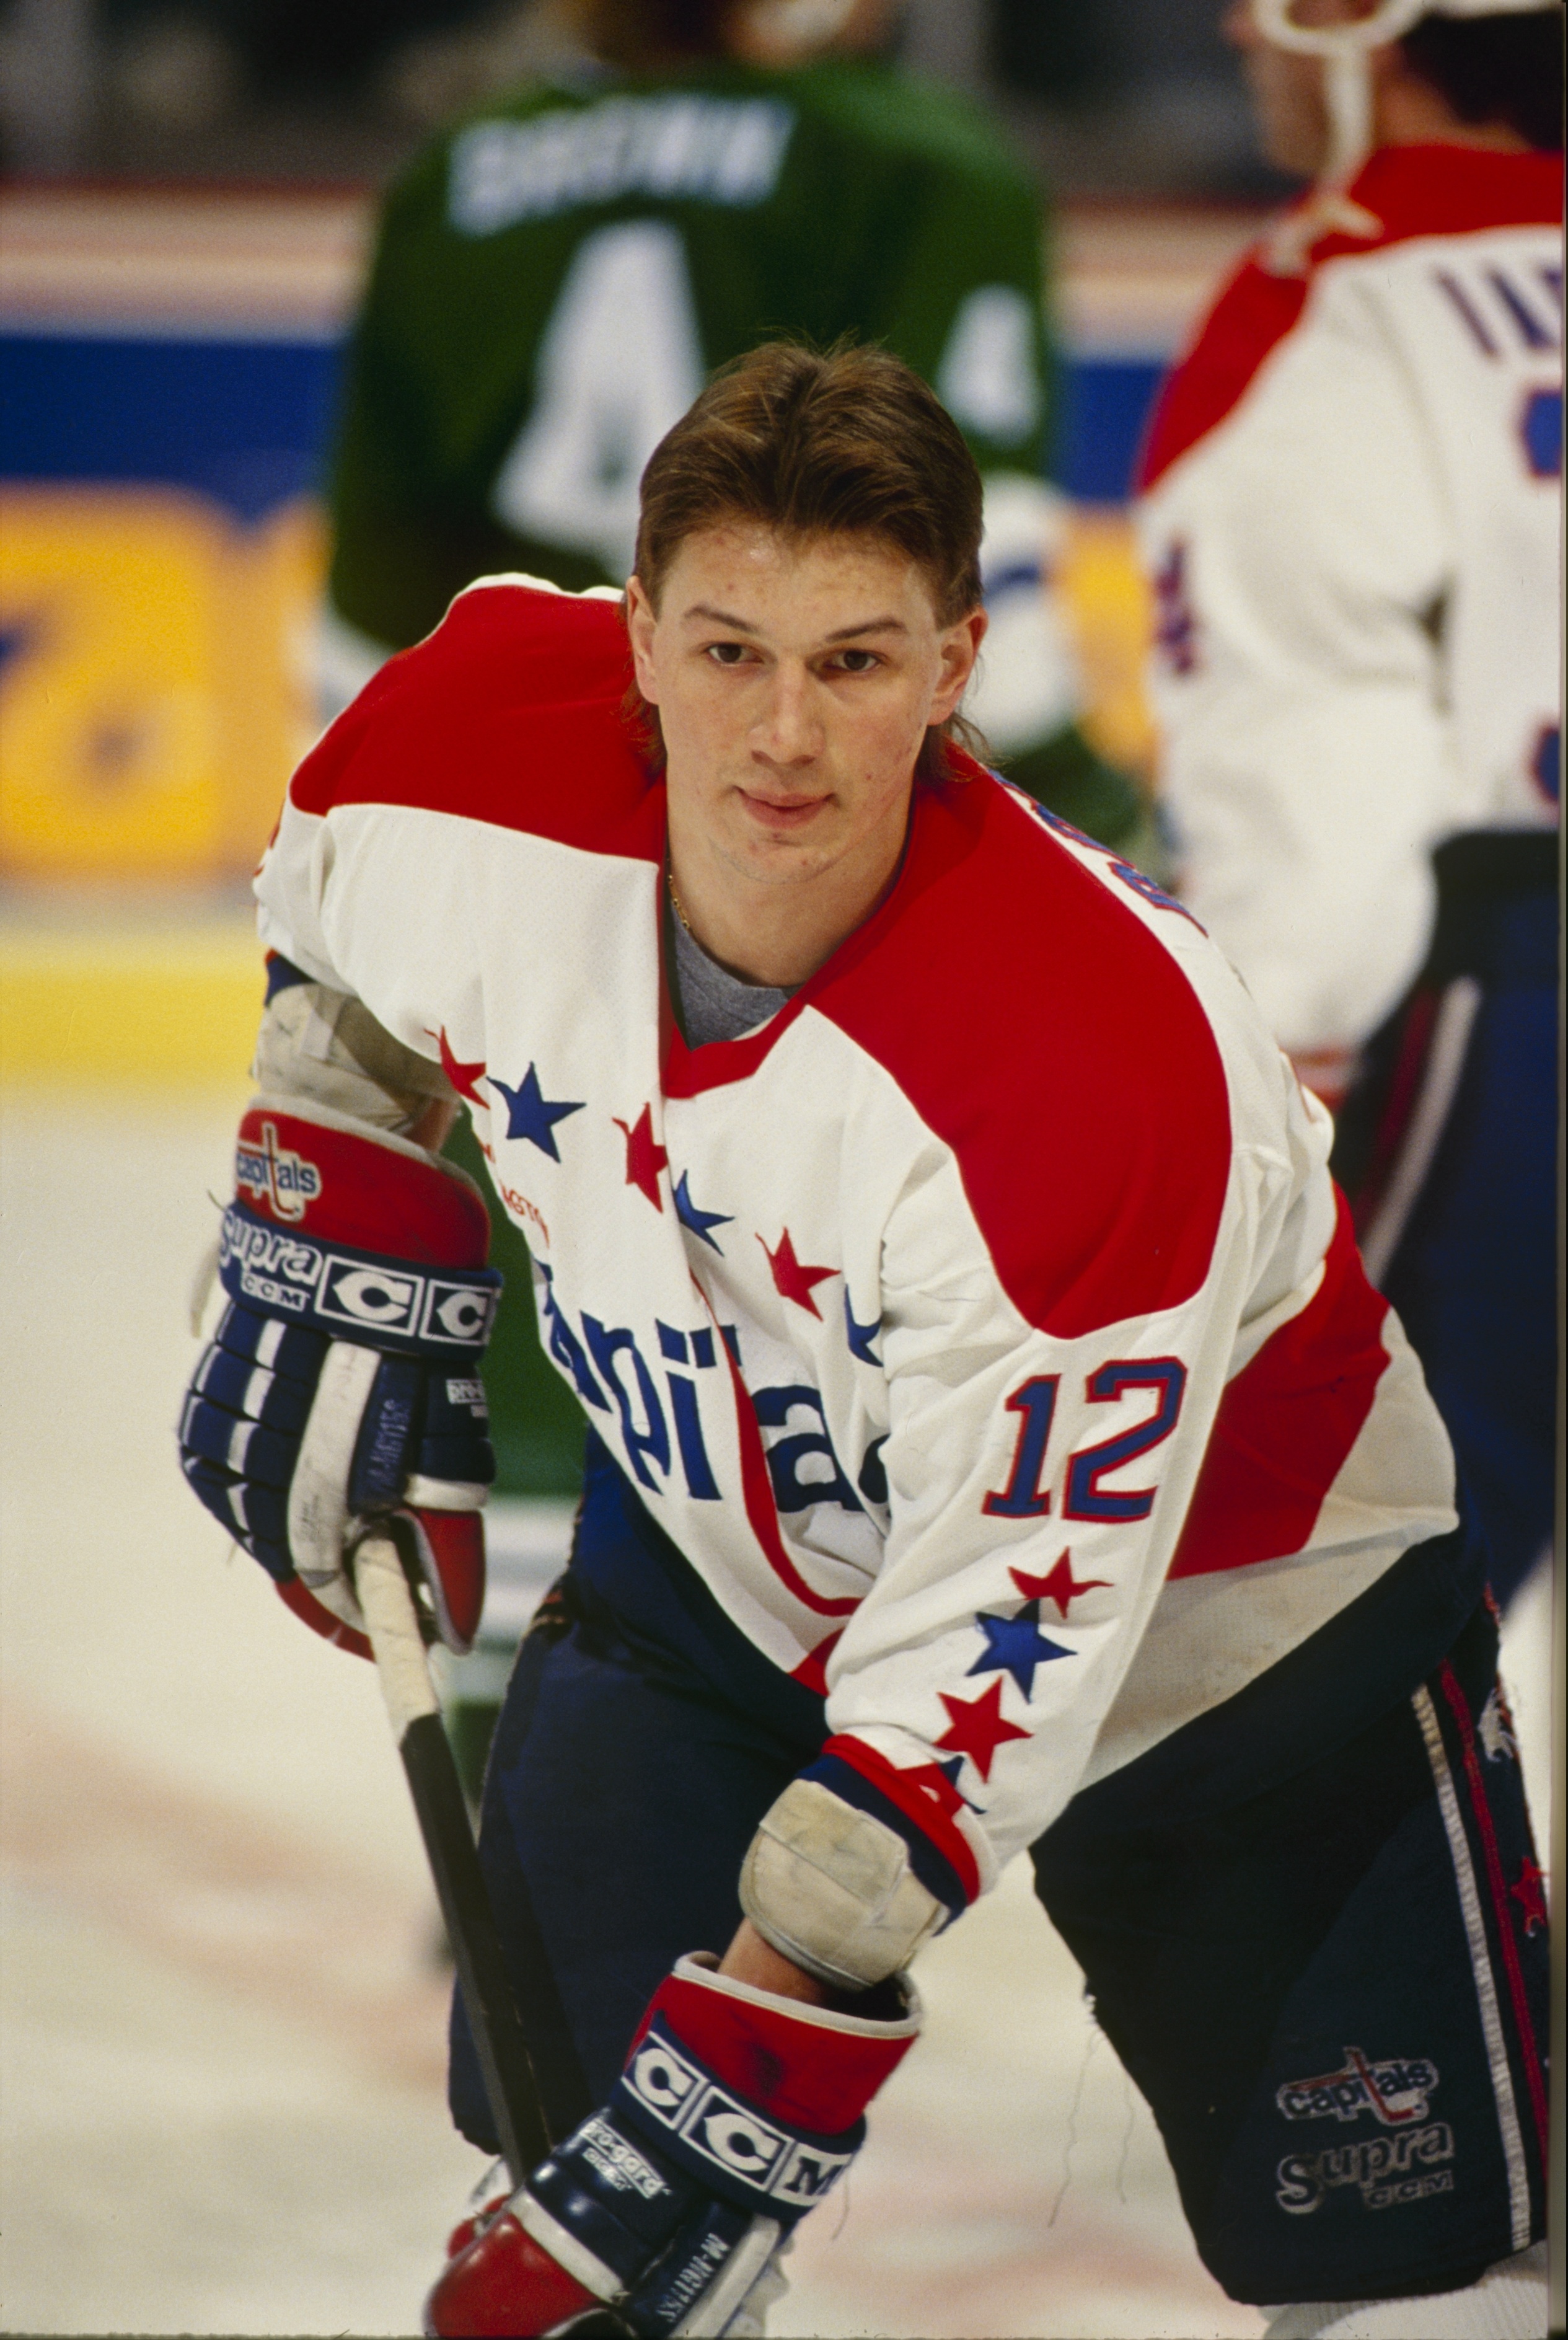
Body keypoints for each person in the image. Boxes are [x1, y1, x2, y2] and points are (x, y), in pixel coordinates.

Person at [179, 344, 1546, 2340]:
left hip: (1235, 1629)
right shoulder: (454, 741)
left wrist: (761, 2046)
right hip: (724, 1546)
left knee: (1415, 2283)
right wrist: (337, 1179)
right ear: (637, 635)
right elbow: (342, 931)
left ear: (958, 661)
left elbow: (1000, 1638)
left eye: (855, 661)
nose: (784, 735)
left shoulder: (1087, 1065)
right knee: (563, 2169)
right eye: (729, 651)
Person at [1134, 0, 1561, 1611]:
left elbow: (1307, 745)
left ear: (1376, 35)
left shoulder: (1332, 295)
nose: (1243, 37)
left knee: (1372, 1597)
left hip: (1511, 996)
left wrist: (1277, 1067)